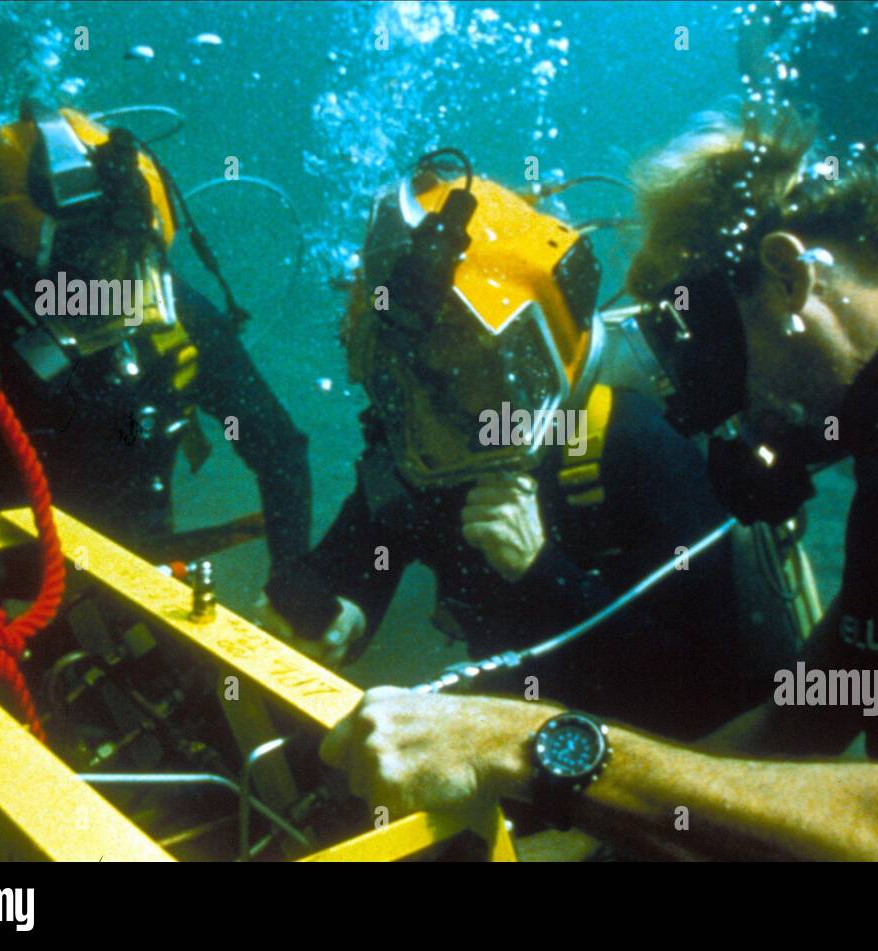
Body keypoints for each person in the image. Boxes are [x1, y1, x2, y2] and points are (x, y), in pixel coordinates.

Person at [319, 111, 878, 861]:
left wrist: (529, 743)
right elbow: (795, 719)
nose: (683, 398)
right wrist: (586, 815)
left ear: (790, 276)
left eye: (687, 341)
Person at [263, 155, 810, 742]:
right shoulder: (419, 448)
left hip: (651, 773)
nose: (438, 391)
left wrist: (542, 571)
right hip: (510, 751)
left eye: (462, 357)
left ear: (522, 353)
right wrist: (333, 615)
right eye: (417, 370)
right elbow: (359, 565)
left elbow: (712, 694)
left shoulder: (625, 443)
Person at [0, 103, 310, 582]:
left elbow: (277, 449)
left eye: (120, 259)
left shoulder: (170, 323)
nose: (100, 290)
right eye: (75, 264)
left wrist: (291, 584)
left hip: (115, 596)